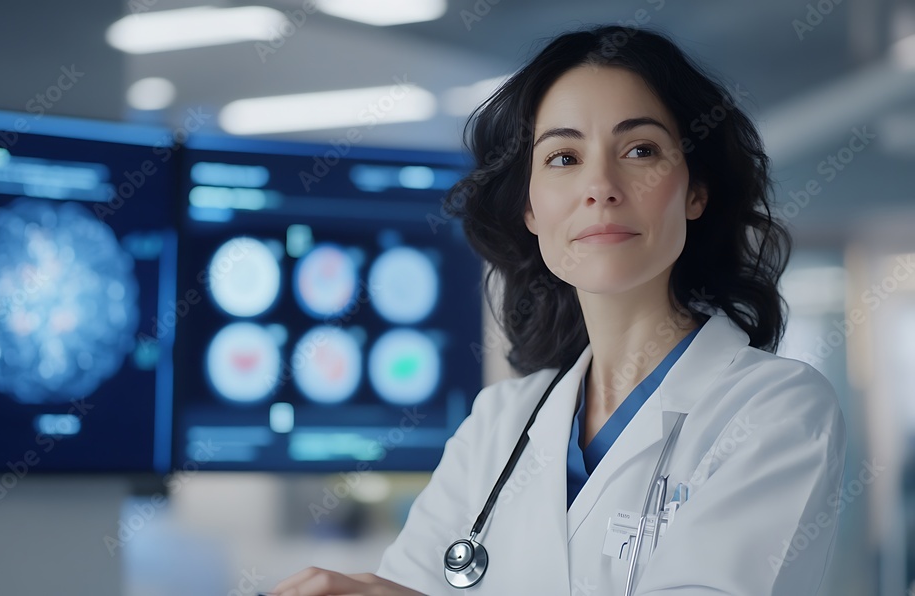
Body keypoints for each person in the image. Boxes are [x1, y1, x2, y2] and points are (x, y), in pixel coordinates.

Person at [270, 24, 847, 596]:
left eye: (640, 149)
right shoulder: (499, 424)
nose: (600, 185)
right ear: (529, 208)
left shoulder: (776, 410)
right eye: (564, 157)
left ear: (696, 191)